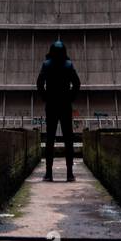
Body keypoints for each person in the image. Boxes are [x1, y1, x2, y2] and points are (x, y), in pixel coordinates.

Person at [36, 40, 81, 181]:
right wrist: (70, 98)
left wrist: (45, 98)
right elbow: (77, 84)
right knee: (69, 140)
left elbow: (39, 83)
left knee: (50, 139)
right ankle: (69, 174)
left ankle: (49, 174)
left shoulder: (46, 65)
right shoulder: (68, 65)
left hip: (51, 105)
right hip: (65, 105)